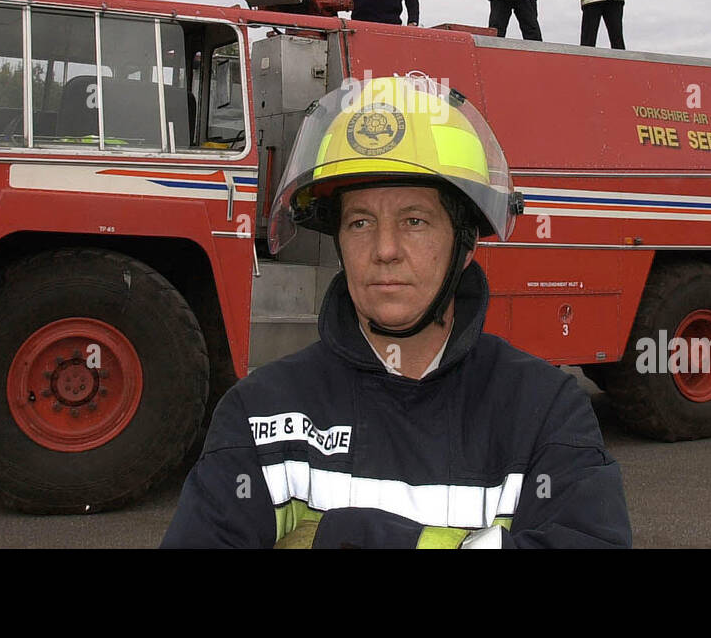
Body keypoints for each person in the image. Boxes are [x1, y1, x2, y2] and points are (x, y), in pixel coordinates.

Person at [161, 76, 631, 549]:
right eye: (360, 222)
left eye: (414, 221)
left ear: (464, 244)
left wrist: (351, 538)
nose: (385, 250)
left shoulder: (542, 412)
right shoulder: (259, 413)